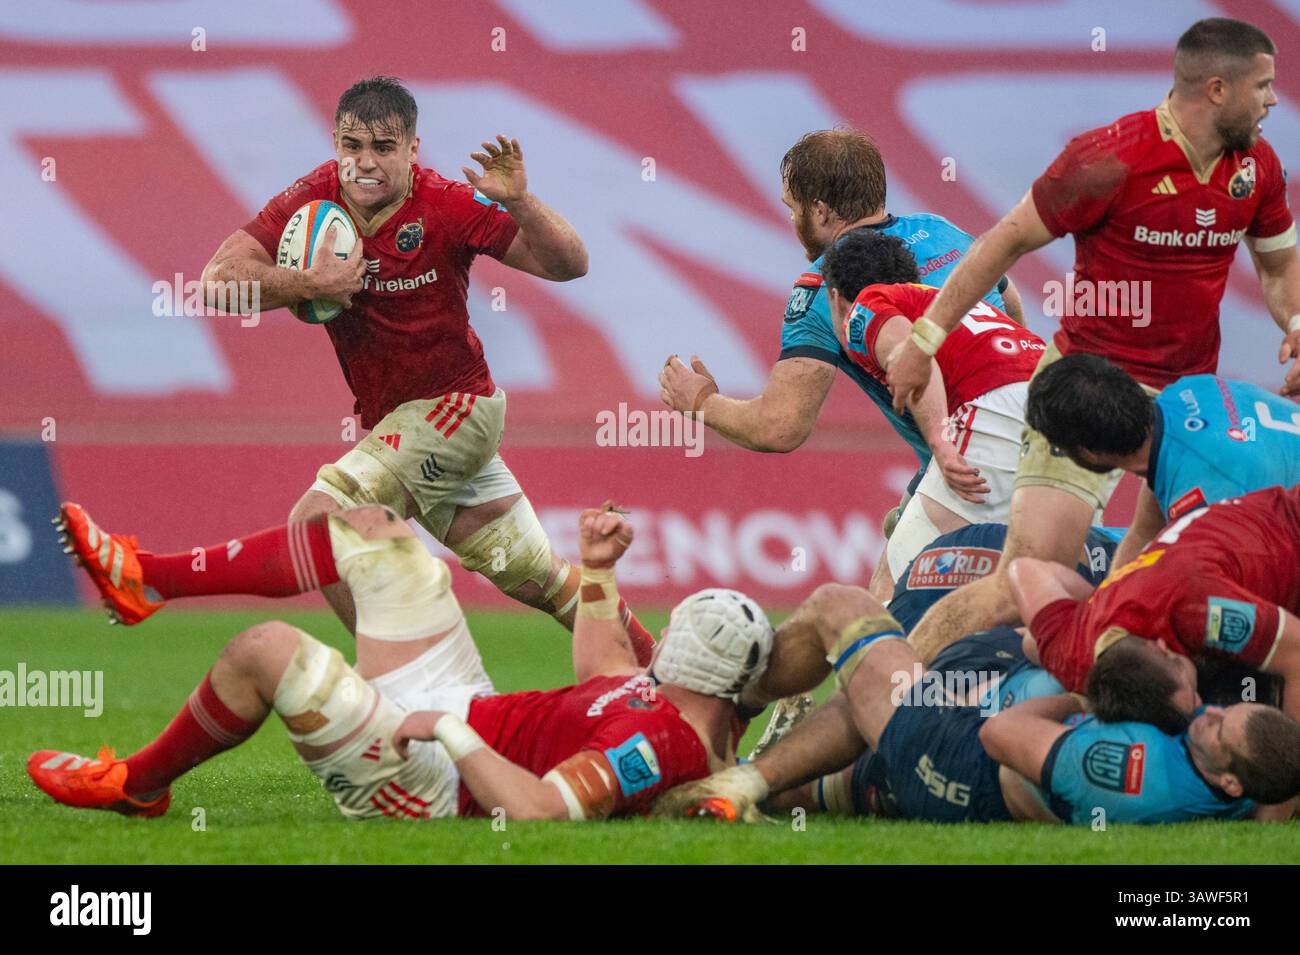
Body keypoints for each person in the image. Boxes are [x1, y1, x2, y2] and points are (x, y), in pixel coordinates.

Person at [882, 18, 1299, 662]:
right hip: (1085, 392)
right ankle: (883, 703)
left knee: (1150, 578)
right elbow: (1005, 240)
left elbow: (1279, 268)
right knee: (1016, 583)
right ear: (1218, 89)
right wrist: (925, 339)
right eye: (1264, 85)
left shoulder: (1256, 168)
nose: (1275, 99)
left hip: (1187, 406)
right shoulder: (1109, 158)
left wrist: (1297, 324)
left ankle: (1090, 705)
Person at [199, 75, 655, 661]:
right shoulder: (315, 196)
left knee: (318, 522)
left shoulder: (446, 204)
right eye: (351, 146)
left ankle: (399, 678)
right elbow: (217, 284)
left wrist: (520, 201)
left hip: (457, 408)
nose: (364, 163)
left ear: (413, 149)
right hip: (404, 426)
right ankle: (676, 678)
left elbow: (569, 265)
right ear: (335, 143)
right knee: (536, 576)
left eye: (383, 148)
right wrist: (309, 283)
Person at [30, 504, 773, 822]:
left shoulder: (662, 742)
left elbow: (540, 811)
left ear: (696, 667)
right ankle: (146, 577)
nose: (661, 641)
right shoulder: (668, 698)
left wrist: (451, 735)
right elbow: (604, 668)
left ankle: (137, 783)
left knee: (263, 649)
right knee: (374, 531)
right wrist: (599, 568)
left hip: (434, 777)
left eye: (677, 637)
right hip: (460, 701)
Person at [657, 129, 1020, 593]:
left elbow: (780, 427)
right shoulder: (944, 231)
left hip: (975, 460)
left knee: (882, 625)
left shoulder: (827, 288)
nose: (792, 220)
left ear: (821, 210)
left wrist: (702, 403)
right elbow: (1011, 312)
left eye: (793, 208)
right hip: (1041, 422)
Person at [652, 586, 1300, 825]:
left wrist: (1081, 686)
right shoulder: (1250, 781)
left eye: (1214, 723)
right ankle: (729, 782)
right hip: (950, 746)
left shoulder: (1124, 766)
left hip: (962, 757)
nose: (1203, 713)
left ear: (1229, 775)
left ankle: (735, 712)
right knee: (846, 743)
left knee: (839, 611)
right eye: (1216, 709)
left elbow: (1002, 737)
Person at [821, 231, 1045, 579]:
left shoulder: (865, 306)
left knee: (896, 580)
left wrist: (941, 442)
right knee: (1035, 579)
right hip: (1060, 401)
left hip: (996, 412)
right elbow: (1010, 297)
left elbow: (916, 358)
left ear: (835, 298)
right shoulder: (959, 304)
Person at [1009, 485, 1300, 720]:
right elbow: (1023, 570)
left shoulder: (1197, 611)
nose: (1199, 701)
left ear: (1165, 648)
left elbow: (1296, 654)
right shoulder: (1071, 653)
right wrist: (1088, 608)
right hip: (1229, 551)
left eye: (1189, 688)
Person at [1025, 353, 1300, 566]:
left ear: (1088, 453)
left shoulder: (1205, 498)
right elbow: (1143, 534)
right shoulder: (1188, 392)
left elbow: (1251, 604)